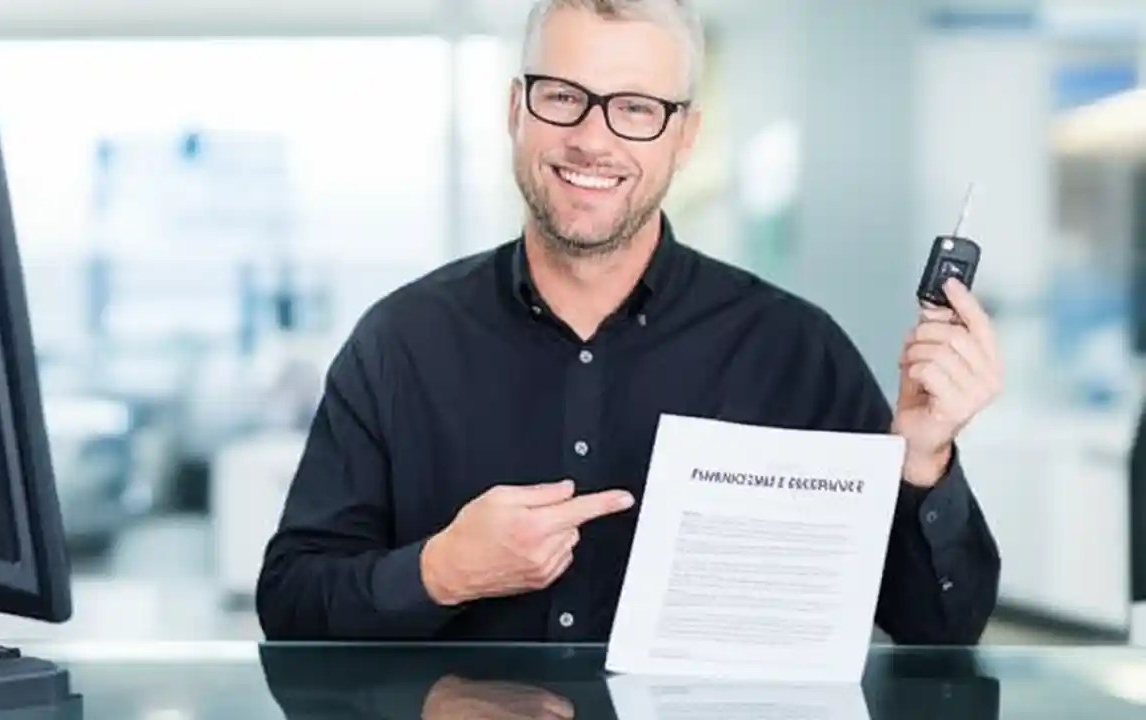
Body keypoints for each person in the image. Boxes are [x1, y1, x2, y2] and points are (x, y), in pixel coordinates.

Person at [256, 0, 1002, 643]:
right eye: (562, 97)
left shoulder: (796, 352)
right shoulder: (400, 342)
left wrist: (922, 460)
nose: (593, 138)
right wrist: (441, 571)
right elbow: (290, 602)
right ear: (516, 110)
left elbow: (940, 630)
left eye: (637, 108)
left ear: (685, 137)